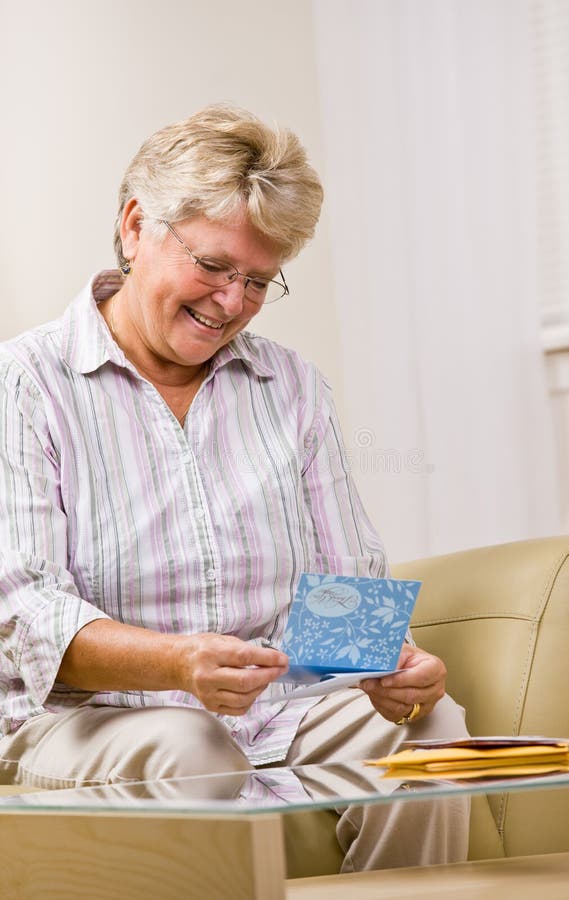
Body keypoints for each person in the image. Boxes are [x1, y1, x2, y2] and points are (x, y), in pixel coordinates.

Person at [0, 104, 469, 872]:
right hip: (87, 723)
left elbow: (344, 586)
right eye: (214, 267)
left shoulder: (291, 386)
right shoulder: (23, 384)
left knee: (432, 729)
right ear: (134, 226)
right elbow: (26, 615)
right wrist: (178, 665)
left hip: (280, 713)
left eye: (258, 280)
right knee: (192, 744)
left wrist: (395, 668)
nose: (231, 303)